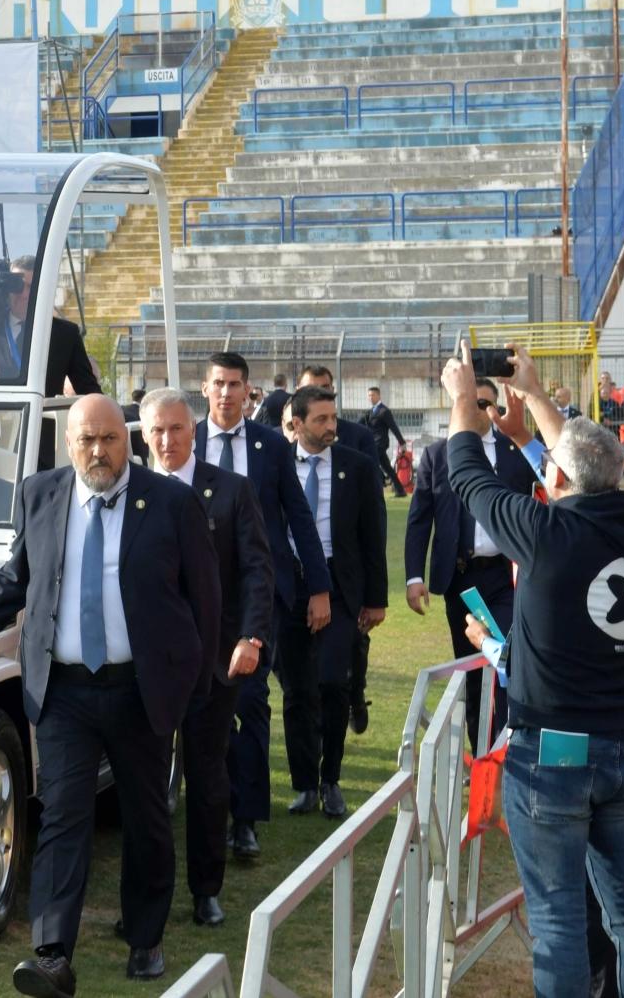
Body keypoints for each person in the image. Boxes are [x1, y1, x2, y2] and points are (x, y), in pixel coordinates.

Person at [0, 395, 218, 992]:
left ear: (129, 439)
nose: (99, 451)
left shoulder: (172, 503)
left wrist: (197, 683)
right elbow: (18, 579)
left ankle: (145, 940)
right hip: (64, 691)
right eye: (87, 440)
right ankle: (53, 955)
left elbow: (205, 602)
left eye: (110, 439)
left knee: (145, 818)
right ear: (68, 444)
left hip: (141, 692)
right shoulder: (39, 495)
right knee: (64, 816)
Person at [440, 341, 624, 998]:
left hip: (556, 750)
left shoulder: (546, 533)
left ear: (555, 482)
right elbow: (584, 472)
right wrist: (535, 399)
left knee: (560, 920)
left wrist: (464, 400)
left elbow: (467, 475)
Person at [140, 388, 270, 929]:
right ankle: (149, 897)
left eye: (176, 429)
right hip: (147, 666)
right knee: (146, 787)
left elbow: (258, 571)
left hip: (216, 663)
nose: (167, 440)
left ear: (192, 431)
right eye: (157, 432)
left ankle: (206, 889)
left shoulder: (232, 491)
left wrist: (252, 638)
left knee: (208, 778)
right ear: (144, 437)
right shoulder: (132, 493)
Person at [200, 352, 329, 860]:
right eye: (218, 384)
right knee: (201, 704)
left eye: (235, 385)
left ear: (249, 391)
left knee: (250, 701)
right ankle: (206, 802)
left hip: (258, 596)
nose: (227, 393)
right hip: (196, 595)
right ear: (204, 388)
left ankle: (246, 818)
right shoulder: (181, 439)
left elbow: (298, 516)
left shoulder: (272, 447)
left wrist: (317, 585)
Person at [404, 373, 539, 736]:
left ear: (495, 408)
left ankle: (506, 742)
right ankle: (482, 753)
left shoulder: (516, 452)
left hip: (507, 576)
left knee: (507, 658)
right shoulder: (437, 454)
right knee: (471, 669)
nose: (476, 409)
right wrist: (413, 577)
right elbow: (420, 518)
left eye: (483, 403)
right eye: (468, 401)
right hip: (460, 579)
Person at [276, 386, 387, 820]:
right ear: (297, 423)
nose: (330, 427)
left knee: (332, 682)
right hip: (289, 587)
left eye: (333, 418)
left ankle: (331, 781)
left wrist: (376, 600)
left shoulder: (357, 467)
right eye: (320, 420)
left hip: (340, 588)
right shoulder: (276, 462)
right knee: (297, 690)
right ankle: (303, 785)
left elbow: (372, 536)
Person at [0, 255, 100, 394]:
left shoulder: (65, 334)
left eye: (31, 287)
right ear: (7, 287)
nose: (24, 294)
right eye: (18, 285)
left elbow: (89, 390)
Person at [362, 385, 406, 497]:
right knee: (387, 467)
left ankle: (381, 480)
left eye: (372, 395)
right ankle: (400, 490)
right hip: (373, 443)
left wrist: (402, 442)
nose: (370, 398)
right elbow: (359, 423)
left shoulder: (384, 411)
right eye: (369, 396)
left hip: (380, 444)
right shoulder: (370, 412)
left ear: (378, 395)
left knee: (370, 460)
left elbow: (393, 427)